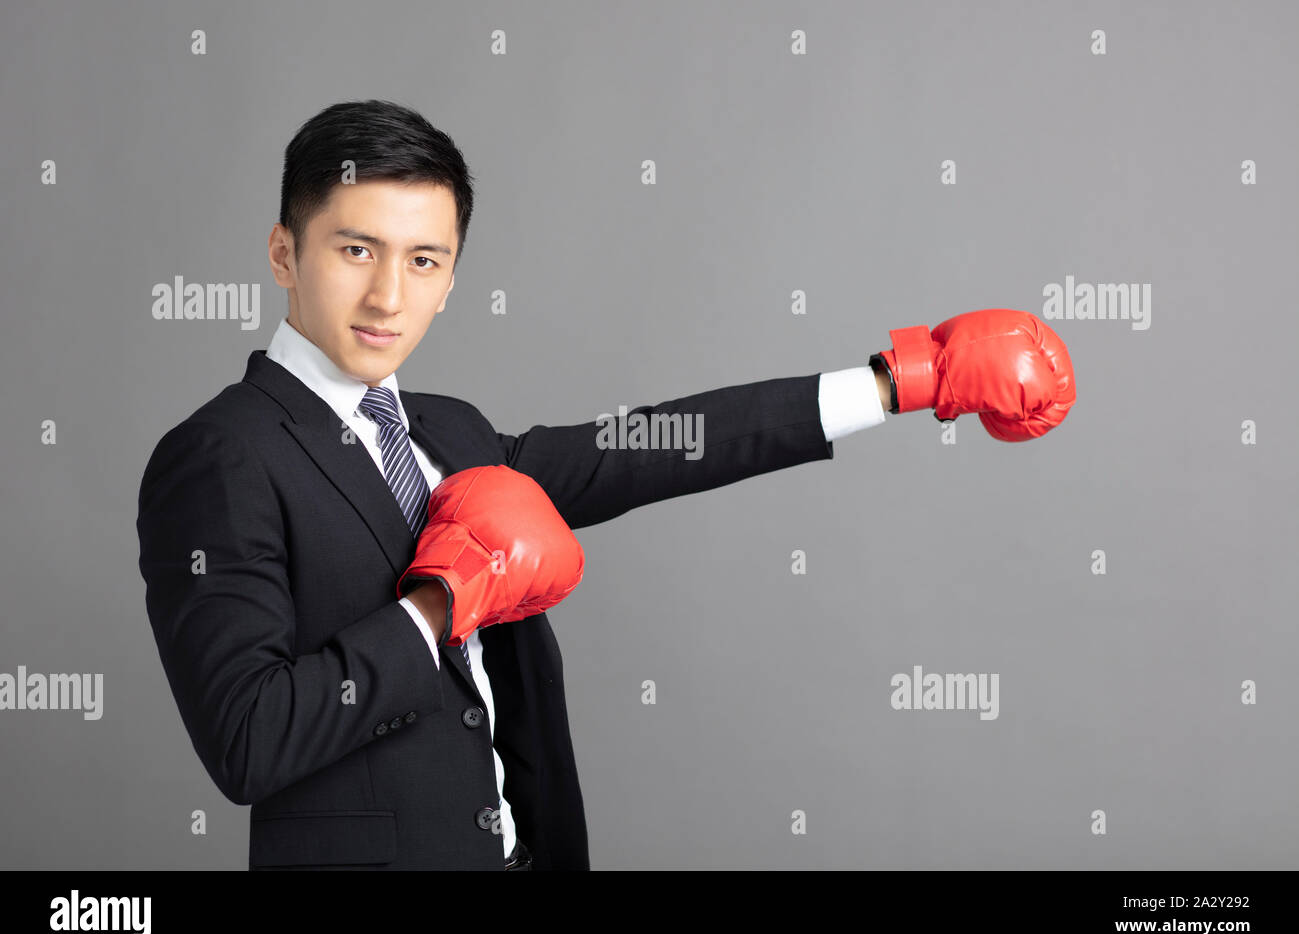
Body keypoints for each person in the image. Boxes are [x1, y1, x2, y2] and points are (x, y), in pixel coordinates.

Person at [135, 99, 1074, 871]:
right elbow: (248, 739)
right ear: (282, 253)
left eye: (424, 261)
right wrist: (438, 603)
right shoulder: (220, 455)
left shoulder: (449, 429)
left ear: (452, 278)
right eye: (355, 250)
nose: (389, 296)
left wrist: (895, 383)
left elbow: (645, 447)